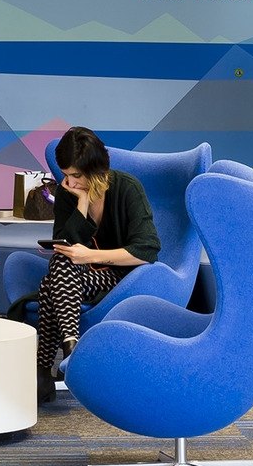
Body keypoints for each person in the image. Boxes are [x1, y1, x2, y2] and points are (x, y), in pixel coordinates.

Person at [34, 127, 159, 403]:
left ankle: (44, 370)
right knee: (60, 266)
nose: (70, 182)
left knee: (48, 287)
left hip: (125, 277)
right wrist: (82, 202)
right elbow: (65, 243)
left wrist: (90, 256)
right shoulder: (69, 193)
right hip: (83, 277)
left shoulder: (128, 188)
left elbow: (146, 251)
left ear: (96, 169)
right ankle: (71, 351)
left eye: (76, 176)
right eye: (66, 174)